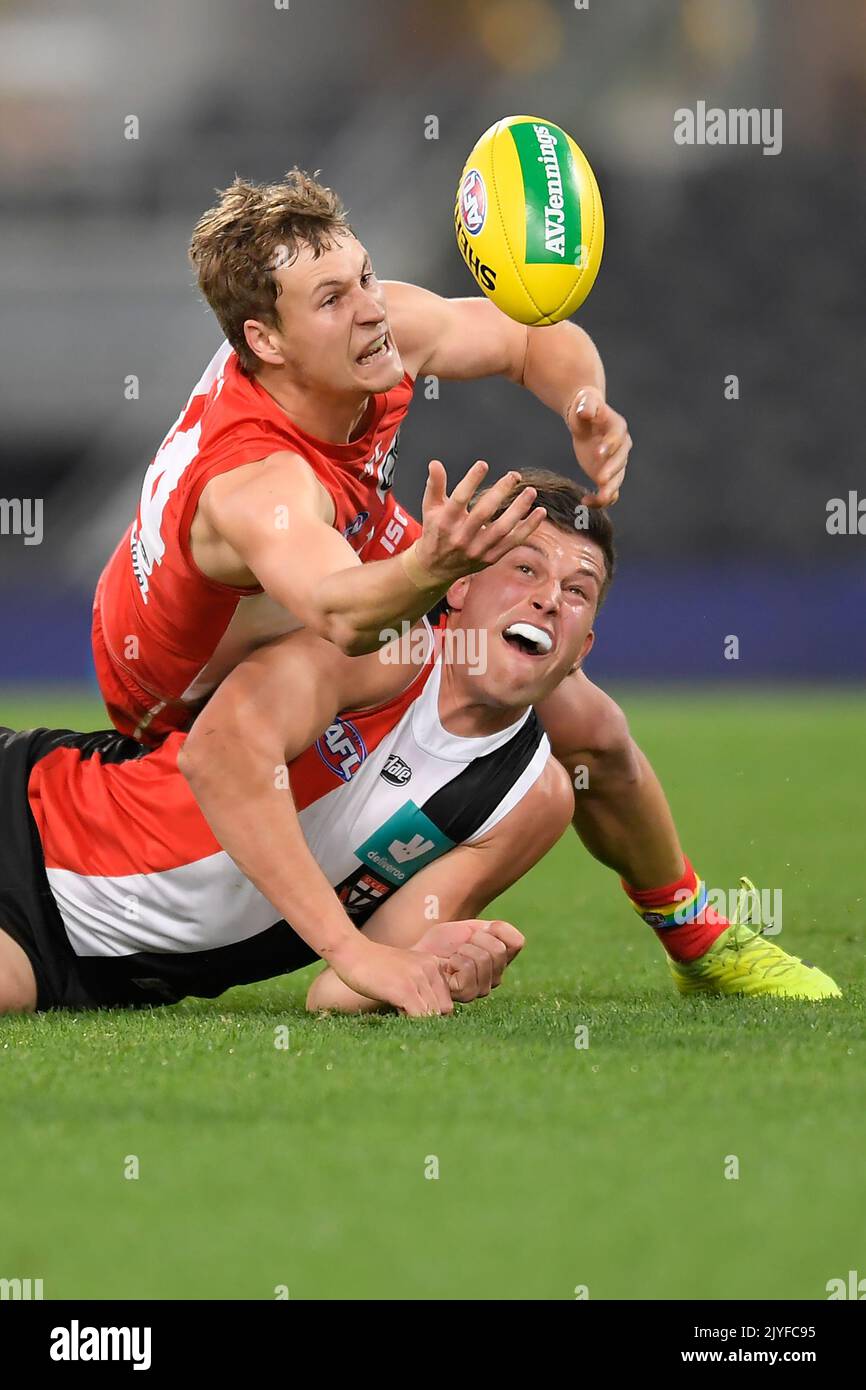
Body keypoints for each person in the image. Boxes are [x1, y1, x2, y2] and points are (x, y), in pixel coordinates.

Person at [91, 172, 837, 1001]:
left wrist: (582, 402)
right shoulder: (259, 484)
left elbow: (529, 338)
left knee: (588, 724)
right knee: (531, 735)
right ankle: (368, 956)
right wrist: (430, 569)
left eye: (366, 276)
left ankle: (697, 941)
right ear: (265, 341)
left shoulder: (371, 337)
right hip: (180, 683)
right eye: (333, 298)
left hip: (343, 560)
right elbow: (343, 612)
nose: (372, 307)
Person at [0, 490, 621, 1016]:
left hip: (86, 965)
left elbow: (340, 991)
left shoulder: (529, 799)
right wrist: (347, 949)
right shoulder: (383, 647)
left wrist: (434, 965)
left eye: (577, 590)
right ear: (458, 589)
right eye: (525, 569)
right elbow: (218, 754)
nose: (547, 599)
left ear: (583, 647)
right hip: (28, 815)